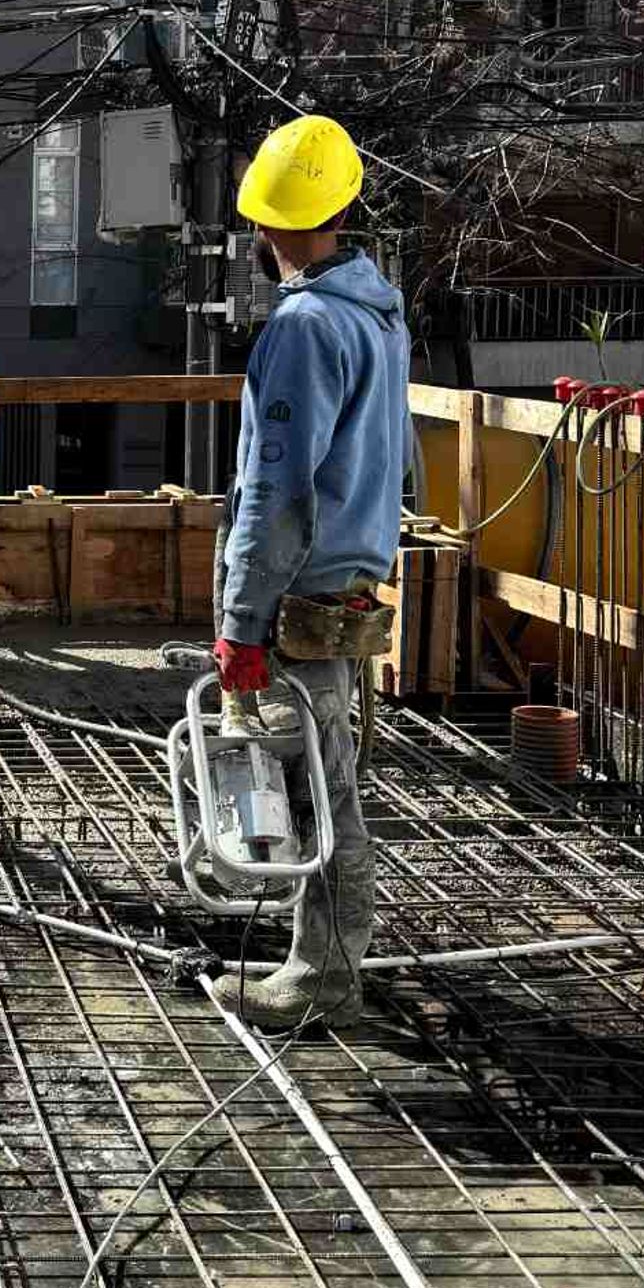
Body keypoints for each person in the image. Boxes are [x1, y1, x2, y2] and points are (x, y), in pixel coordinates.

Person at [208, 116, 410, 1031]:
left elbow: (277, 490)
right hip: (348, 580)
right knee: (327, 777)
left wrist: (241, 621)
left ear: (268, 222)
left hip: (300, 591)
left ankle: (323, 973)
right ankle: (326, 953)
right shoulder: (378, 313)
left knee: (319, 792)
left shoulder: (304, 324)